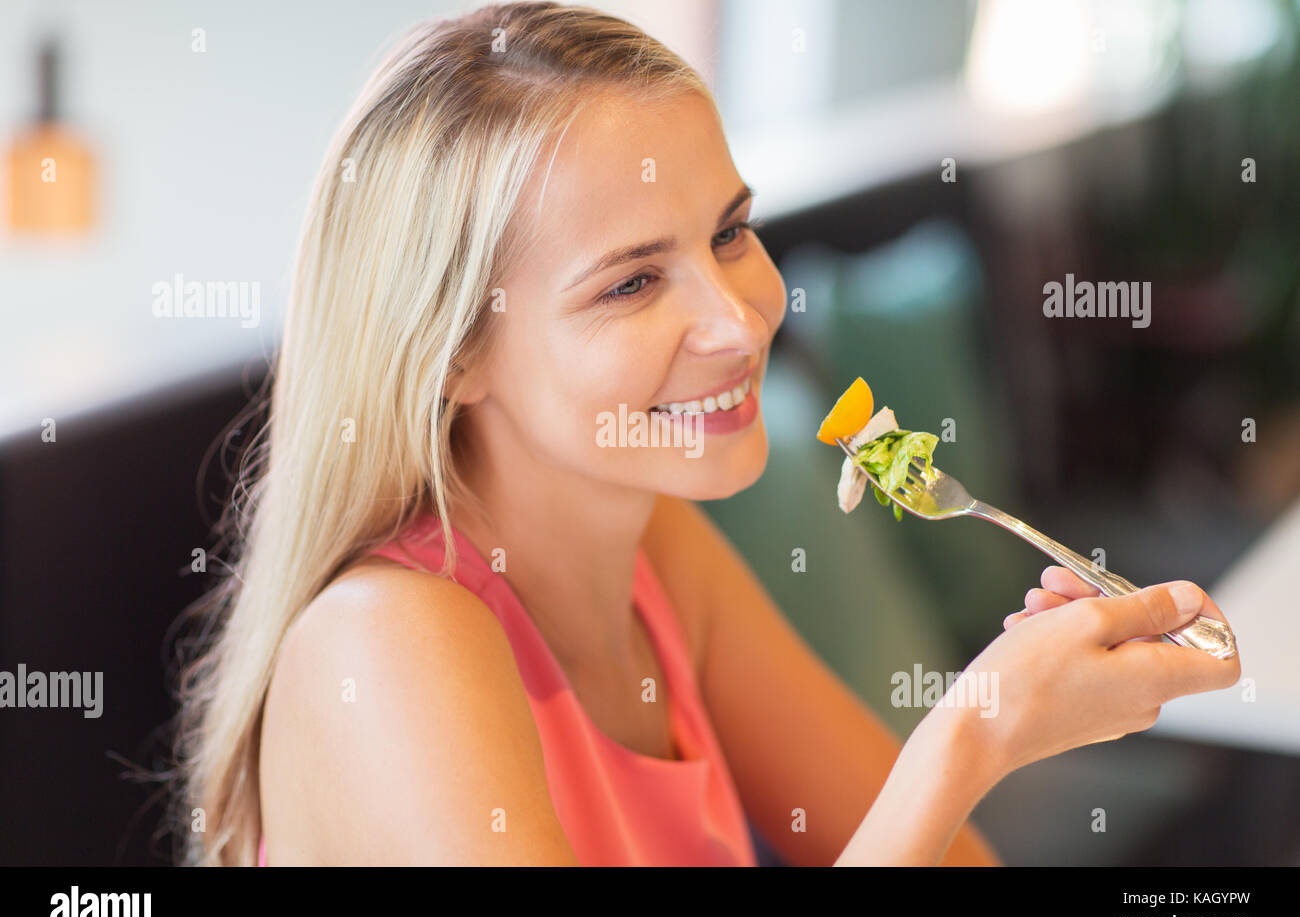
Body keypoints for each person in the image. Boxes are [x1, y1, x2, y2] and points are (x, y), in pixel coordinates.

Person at [173, 2, 1240, 866]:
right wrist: (973, 736)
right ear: (454, 353)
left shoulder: (657, 553)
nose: (741, 320)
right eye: (632, 281)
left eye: (729, 231)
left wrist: (1027, 704)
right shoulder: (387, 641)